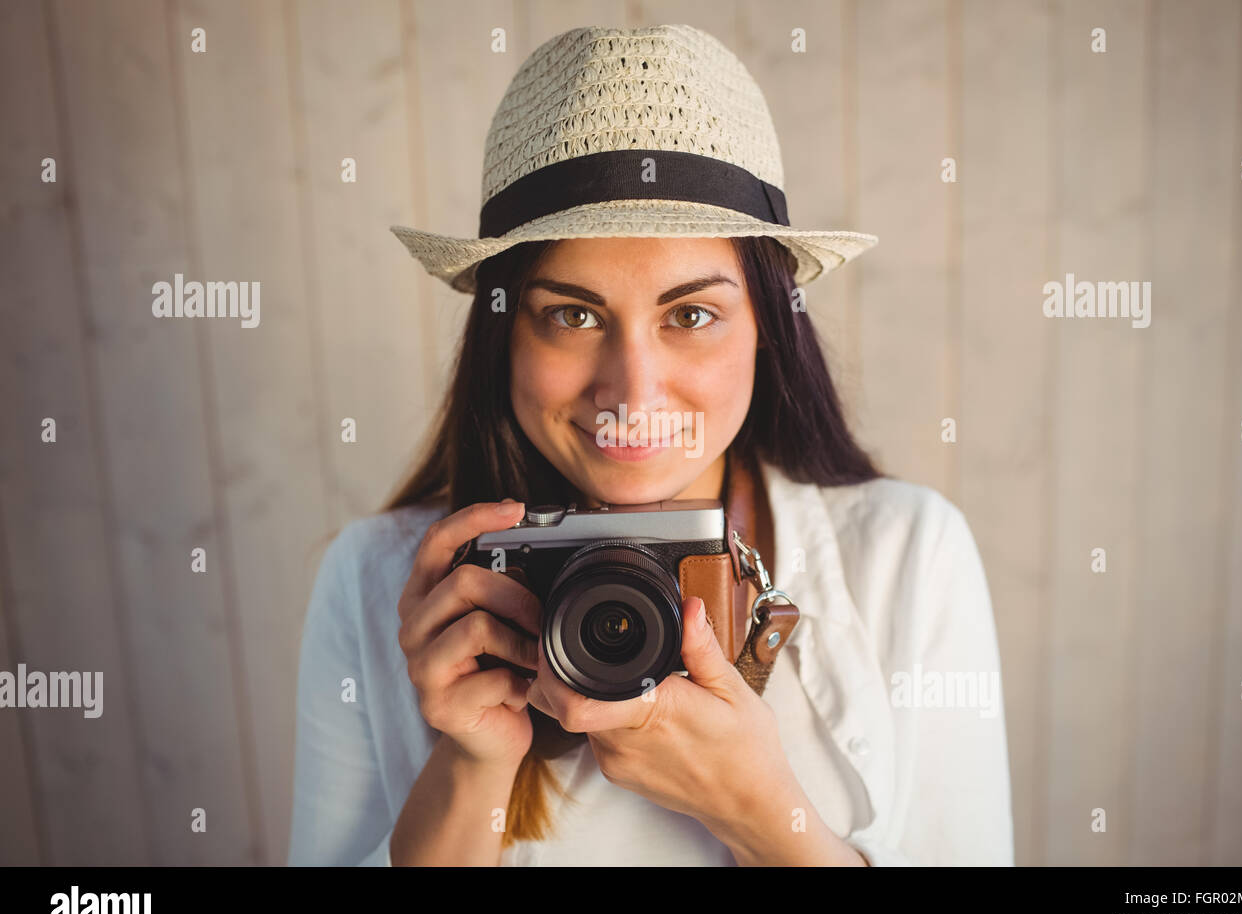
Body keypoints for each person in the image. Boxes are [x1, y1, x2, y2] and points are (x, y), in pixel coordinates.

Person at [288, 23, 1013, 867]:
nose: (632, 391)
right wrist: (473, 761)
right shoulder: (376, 582)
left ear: (768, 330)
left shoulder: (907, 557)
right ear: (503, 337)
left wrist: (759, 813)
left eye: (691, 315)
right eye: (573, 314)